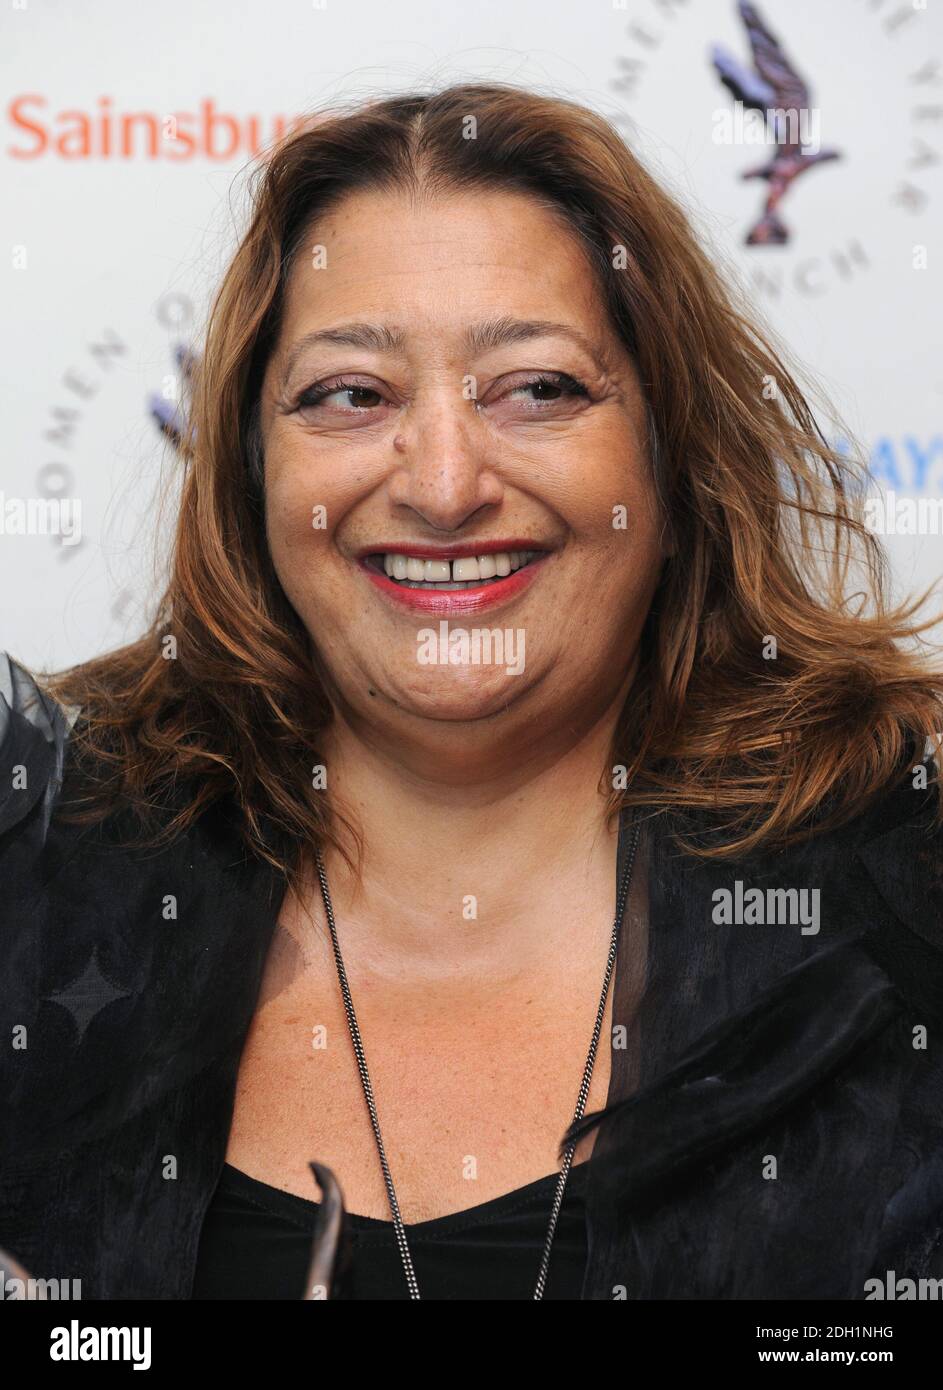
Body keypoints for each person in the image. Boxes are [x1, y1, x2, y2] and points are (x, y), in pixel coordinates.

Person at [1, 82, 941, 1302]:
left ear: (671, 460)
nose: (444, 485)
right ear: (252, 473)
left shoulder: (905, 896)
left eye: (538, 388)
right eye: (351, 394)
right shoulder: (42, 881)